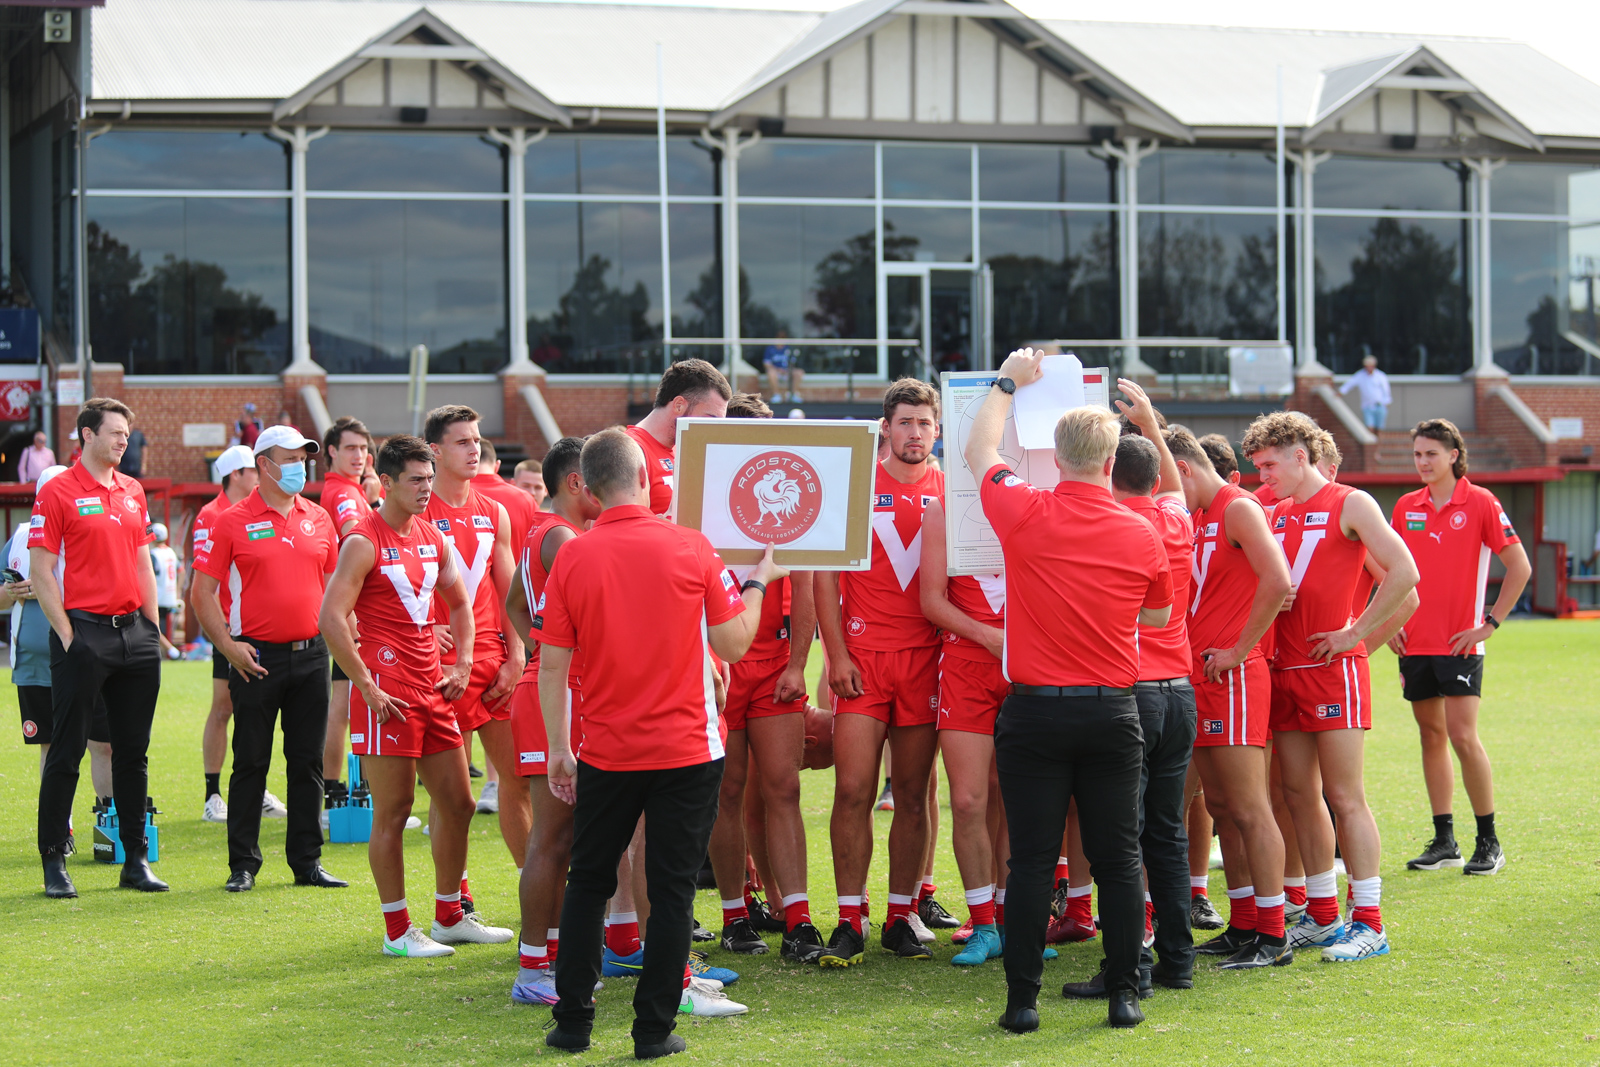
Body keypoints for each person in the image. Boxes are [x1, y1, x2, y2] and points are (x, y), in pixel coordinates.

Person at [533, 428, 784, 1057]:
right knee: (670, 891)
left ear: (587, 488)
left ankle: (573, 1022)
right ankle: (653, 1032)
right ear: (646, 478)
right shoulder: (692, 547)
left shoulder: (575, 557)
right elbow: (732, 644)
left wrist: (560, 749)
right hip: (687, 750)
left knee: (589, 881)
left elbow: (555, 664)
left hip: (607, 750)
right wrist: (758, 581)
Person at [965, 349, 1174, 1032]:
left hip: (1034, 710)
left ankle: (1021, 1001)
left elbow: (977, 448)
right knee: (1118, 858)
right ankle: (1123, 992)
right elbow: (1158, 616)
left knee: (1029, 860)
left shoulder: (1025, 510)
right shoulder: (1142, 531)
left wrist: (1006, 382)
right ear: (1112, 463)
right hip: (1113, 710)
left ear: (1054, 459)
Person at [318, 434, 513, 957]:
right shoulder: (363, 540)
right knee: (395, 809)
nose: (426, 489)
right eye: (415, 480)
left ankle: (451, 914)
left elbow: (462, 603)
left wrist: (465, 663)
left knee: (460, 801)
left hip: (433, 687)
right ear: (386, 484)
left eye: (430, 479)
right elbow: (330, 618)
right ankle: (398, 931)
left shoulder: (432, 536)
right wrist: (364, 683)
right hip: (388, 695)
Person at [1242, 411, 1419, 964]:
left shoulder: (1351, 502)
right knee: (1296, 796)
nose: (1262, 476)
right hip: (1280, 670)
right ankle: (1322, 916)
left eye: (1269, 465)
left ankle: (1370, 921)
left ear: (1301, 455)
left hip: (1332, 670)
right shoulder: (1271, 510)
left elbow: (1405, 573)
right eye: (1257, 467)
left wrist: (1356, 634)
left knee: (1344, 796)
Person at [1060, 386, 1200, 996]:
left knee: (1120, 842)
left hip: (1132, 693)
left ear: (1110, 469)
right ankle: (1177, 960)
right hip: (1179, 694)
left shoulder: (1111, 522)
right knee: (1165, 836)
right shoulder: (1174, 516)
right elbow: (1172, 486)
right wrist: (1147, 422)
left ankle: (1132, 967)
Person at [815, 378, 945, 967]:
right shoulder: (853, 486)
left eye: (924, 423)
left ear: (936, 429)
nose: (914, 433)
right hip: (863, 663)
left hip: (928, 663)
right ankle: (849, 917)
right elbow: (825, 576)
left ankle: (900, 915)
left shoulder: (954, 489)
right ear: (885, 428)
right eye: (904, 423)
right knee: (852, 790)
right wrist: (837, 656)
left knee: (914, 794)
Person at [191, 424, 346, 892]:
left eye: (304, 459)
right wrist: (228, 646)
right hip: (255, 658)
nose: (301, 467)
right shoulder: (231, 520)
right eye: (291, 458)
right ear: (264, 464)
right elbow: (202, 593)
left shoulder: (319, 517)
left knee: (307, 763)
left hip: (313, 655)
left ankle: (307, 862)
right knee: (250, 762)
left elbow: (339, 588)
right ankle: (243, 865)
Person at [1166, 426, 1294, 969]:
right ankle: (1243, 924)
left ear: (1187, 469)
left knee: (1248, 807)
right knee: (1218, 807)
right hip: (1201, 678)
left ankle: (1274, 933)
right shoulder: (1199, 515)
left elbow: (1279, 579)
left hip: (1235, 678)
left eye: (1170, 480)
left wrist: (1241, 649)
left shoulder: (1238, 508)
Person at [32, 398, 168, 897]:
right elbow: (41, 571)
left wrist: (152, 631)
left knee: (133, 753)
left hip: (134, 633)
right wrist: (69, 637)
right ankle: (54, 863)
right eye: (114, 433)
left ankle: (134, 860)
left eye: (126, 434)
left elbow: (141, 564)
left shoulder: (133, 491)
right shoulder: (58, 490)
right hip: (83, 633)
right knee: (66, 750)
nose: (123, 441)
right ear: (86, 435)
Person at [705, 393, 823, 964]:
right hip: (720, 664)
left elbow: (804, 589)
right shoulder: (699, 496)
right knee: (725, 791)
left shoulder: (785, 505)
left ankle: (798, 917)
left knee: (784, 788)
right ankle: (735, 913)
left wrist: (799, 663)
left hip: (774, 661)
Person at [1390, 419, 1530, 877]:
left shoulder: (1482, 502)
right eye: (1417, 454)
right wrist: (1389, 623)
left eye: (1431, 453)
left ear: (1454, 455)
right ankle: (1444, 840)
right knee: (1431, 736)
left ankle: (1488, 840)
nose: (1422, 462)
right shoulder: (1406, 506)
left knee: (1462, 736)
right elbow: (1385, 569)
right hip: (1415, 644)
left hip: (1460, 645)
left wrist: (1489, 623)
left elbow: (1520, 567)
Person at [503, 436, 600, 1006]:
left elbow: (517, 601)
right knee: (553, 837)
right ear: (575, 482)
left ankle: (555, 951)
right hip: (558, 694)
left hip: (555, 686)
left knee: (567, 836)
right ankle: (533, 966)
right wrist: (549, 661)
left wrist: (539, 651)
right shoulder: (562, 537)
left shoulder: (543, 530)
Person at [422, 405, 526, 868]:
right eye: (462, 441)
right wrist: (426, 631)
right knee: (454, 796)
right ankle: (456, 903)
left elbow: (510, 593)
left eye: (476, 439)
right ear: (435, 451)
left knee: (518, 783)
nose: (474, 449)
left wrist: (516, 655)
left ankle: (538, 900)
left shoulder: (495, 512)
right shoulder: (415, 510)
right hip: (440, 669)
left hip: (494, 666)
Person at [918, 496, 1008, 968]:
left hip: (1029, 667)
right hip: (966, 666)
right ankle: (984, 924)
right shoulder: (944, 508)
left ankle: (1010, 919)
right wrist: (987, 635)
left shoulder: (1034, 495)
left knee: (1016, 797)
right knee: (970, 800)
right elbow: (931, 600)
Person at [194, 445, 286, 824]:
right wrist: (222, 637)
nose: (260, 476)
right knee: (223, 708)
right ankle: (212, 793)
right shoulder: (210, 515)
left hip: (261, 630)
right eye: (253, 469)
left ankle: (256, 786)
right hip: (229, 630)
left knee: (258, 714)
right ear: (237, 474)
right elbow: (202, 585)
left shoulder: (264, 508)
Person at [10, 463, 115, 796]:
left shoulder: (92, 528)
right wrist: (15, 591)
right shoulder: (22, 536)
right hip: (36, 663)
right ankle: (59, 827)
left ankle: (109, 824)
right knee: (51, 744)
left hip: (86, 651)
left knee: (103, 743)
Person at [318, 416, 376, 810]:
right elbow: (358, 537)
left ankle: (343, 794)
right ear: (332, 452)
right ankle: (339, 794)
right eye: (351, 448)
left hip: (350, 611)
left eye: (364, 449)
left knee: (345, 704)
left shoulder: (348, 490)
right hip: (353, 614)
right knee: (343, 706)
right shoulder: (342, 494)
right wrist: (374, 503)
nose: (360, 456)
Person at [626, 358, 732, 516]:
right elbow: (620, 530)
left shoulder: (684, 447)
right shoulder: (631, 451)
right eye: (711, 418)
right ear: (678, 405)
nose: (714, 429)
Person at [1340, 355, 1392, 432]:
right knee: (1369, 427)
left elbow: (1386, 390)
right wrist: (1341, 391)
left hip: (1380, 405)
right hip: (1367, 405)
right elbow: (1350, 383)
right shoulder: (1360, 375)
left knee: (1379, 429)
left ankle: (1378, 443)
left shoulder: (1380, 376)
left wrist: (1387, 401)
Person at [150, 523, 181, 643]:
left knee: (154, 626)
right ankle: (170, 649)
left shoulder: (153, 554)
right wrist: (177, 591)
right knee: (166, 626)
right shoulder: (171, 552)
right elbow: (181, 571)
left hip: (158, 595)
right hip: (170, 594)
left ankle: (170, 651)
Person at [763, 328, 803, 403]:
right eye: (779, 337)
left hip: (787, 371)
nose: (781, 340)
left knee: (799, 372)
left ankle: (793, 394)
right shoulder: (770, 348)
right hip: (776, 372)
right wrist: (778, 370)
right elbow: (767, 364)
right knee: (771, 373)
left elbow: (793, 362)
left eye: (783, 338)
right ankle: (776, 395)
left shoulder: (789, 348)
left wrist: (788, 369)